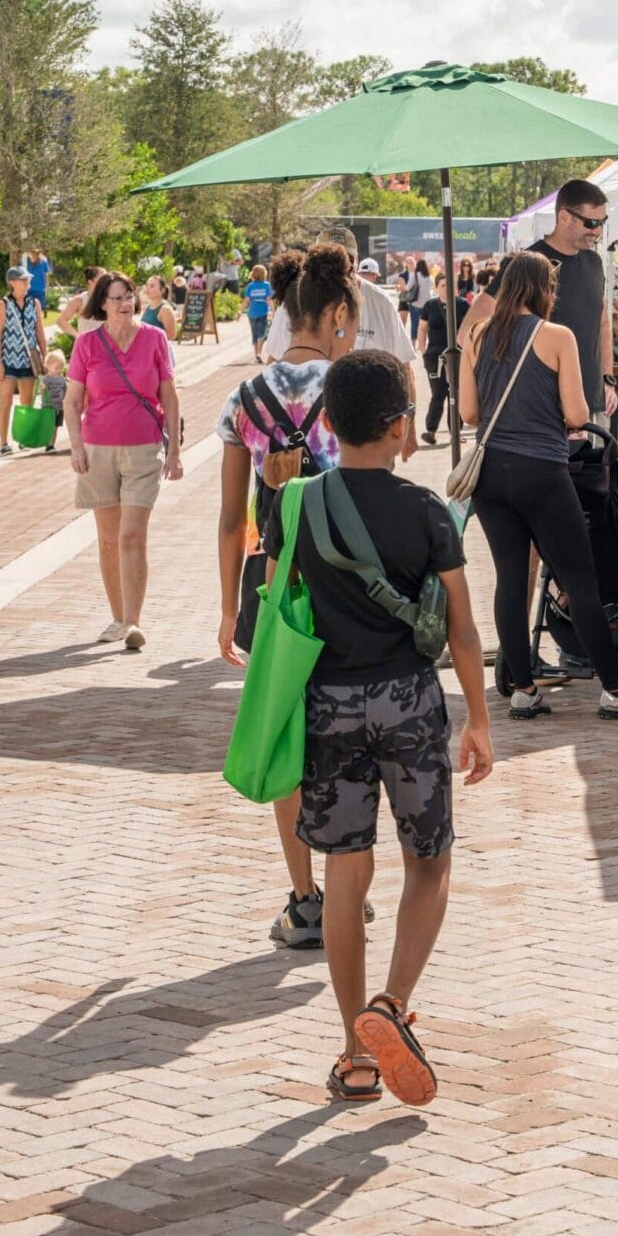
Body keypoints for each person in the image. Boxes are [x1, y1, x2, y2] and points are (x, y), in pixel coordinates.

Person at [252, 351, 492, 1106]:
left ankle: (355, 1056)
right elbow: (461, 631)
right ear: (401, 427)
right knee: (429, 861)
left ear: (325, 424)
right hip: (410, 705)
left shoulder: (296, 504)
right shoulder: (428, 512)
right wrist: (479, 719)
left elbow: (276, 594)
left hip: (329, 704)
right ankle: (391, 1004)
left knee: (346, 877)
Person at [217, 244, 358, 950]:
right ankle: (349, 887)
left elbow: (229, 517)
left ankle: (306, 897)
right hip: (350, 592)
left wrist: (224, 609)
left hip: (278, 589)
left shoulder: (246, 397)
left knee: (284, 739)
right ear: (334, 314)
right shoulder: (359, 386)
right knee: (348, 737)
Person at [459, 250, 618, 722]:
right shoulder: (556, 336)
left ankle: (523, 689)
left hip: (490, 474)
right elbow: (577, 413)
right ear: (542, 289)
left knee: (510, 580)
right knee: (579, 579)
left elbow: (469, 414)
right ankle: (616, 691)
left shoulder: (476, 334)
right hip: (543, 471)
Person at [65, 273, 183, 649]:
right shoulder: (86, 344)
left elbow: (169, 396)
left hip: (144, 450)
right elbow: (72, 401)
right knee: (108, 541)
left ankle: (133, 623)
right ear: (102, 304)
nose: (124, 302)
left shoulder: (154, 339)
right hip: (97, 449)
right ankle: (117, 619)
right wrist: (77, 446)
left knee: (132, 536)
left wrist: (176, 451)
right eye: (116, 298)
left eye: (128, 296)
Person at [462, 181, 618, 421]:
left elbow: (603, 324)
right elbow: (469, 333)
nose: (597, 231)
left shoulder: (594, 263)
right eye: (591, 223)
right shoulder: (528, 263)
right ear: (564, 217)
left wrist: (608, 379)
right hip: (542, 413)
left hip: (592, 406)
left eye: (602, 222)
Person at [263, 227, 418, 460]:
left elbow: (404, 369)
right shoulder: (293, 302)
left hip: (370, 435)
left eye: (347, 259)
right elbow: (274, 362)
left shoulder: (380, 302)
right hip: (309, 433)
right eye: (329, 260)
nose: (338, 268)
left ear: (356, 261)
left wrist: (410, 430)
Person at [0, 265, 48, 455]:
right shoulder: (3, 305)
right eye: (23, 280)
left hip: (28, 361)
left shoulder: (35, 303)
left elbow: (39, 332)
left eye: (27, 279)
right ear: (12, 283)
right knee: (5, 401)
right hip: (8, 359)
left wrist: (45, 356)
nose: (27, 282)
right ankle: (3, 442)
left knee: (26, 402)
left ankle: (22, 437)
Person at [418, 272, 470, 446]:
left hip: (458, 356)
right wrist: (422, 349)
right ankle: (430, 430)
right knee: (438, 393)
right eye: (443, 285)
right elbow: (422, 328)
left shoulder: (463, 305)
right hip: (435, 357)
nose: (447, 288)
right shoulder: (430, 305)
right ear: (436, 288)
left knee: (455, 393)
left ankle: (455, 432)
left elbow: (471, 329)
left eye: (450, 285)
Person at [56, 266, 107, 339]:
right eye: (102, 279)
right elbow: (61, 321)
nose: (106, 282)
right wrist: (78, 336)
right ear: (91, 282)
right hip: (88, 346)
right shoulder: (80, 300)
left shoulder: (109, 299)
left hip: (107, 346)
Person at [242, 264, 273, 361]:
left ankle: (256, 354)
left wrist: (240, 311)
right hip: (263, 312)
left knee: (254, 333)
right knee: (262, 333)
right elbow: (269, 299)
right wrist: (273, 310)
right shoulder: (267, 285)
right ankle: (259, 353)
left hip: (252, 313)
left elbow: (246, 300)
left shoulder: (250, 286)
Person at [39, 349, 68, 454]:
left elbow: (66, 392)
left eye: (60, 368)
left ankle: (51, 445)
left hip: (59, 408)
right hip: (48, 407)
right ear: (48, 365)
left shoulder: (62, 380)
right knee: (48, 427)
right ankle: (47, 443)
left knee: (55, 427)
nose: (59, 370)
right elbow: (40, 389)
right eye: (56, 368)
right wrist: (41, 388)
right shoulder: (45, 379)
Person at [139, 274, 178, 345]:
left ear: (162, 290)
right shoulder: (148, 307)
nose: (147, 288)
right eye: (147, 285)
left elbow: (172, 336)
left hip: (160, 351)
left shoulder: (165, 309)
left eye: (152, 286)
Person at [406, 258, 433, 342]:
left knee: (414, 325)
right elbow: (432, 286)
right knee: (426, 326)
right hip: (427, 305)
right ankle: (425, 344)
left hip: (415, 304)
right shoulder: (429, 277)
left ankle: (413, 345)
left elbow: (408, 287)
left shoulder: (414, 275)